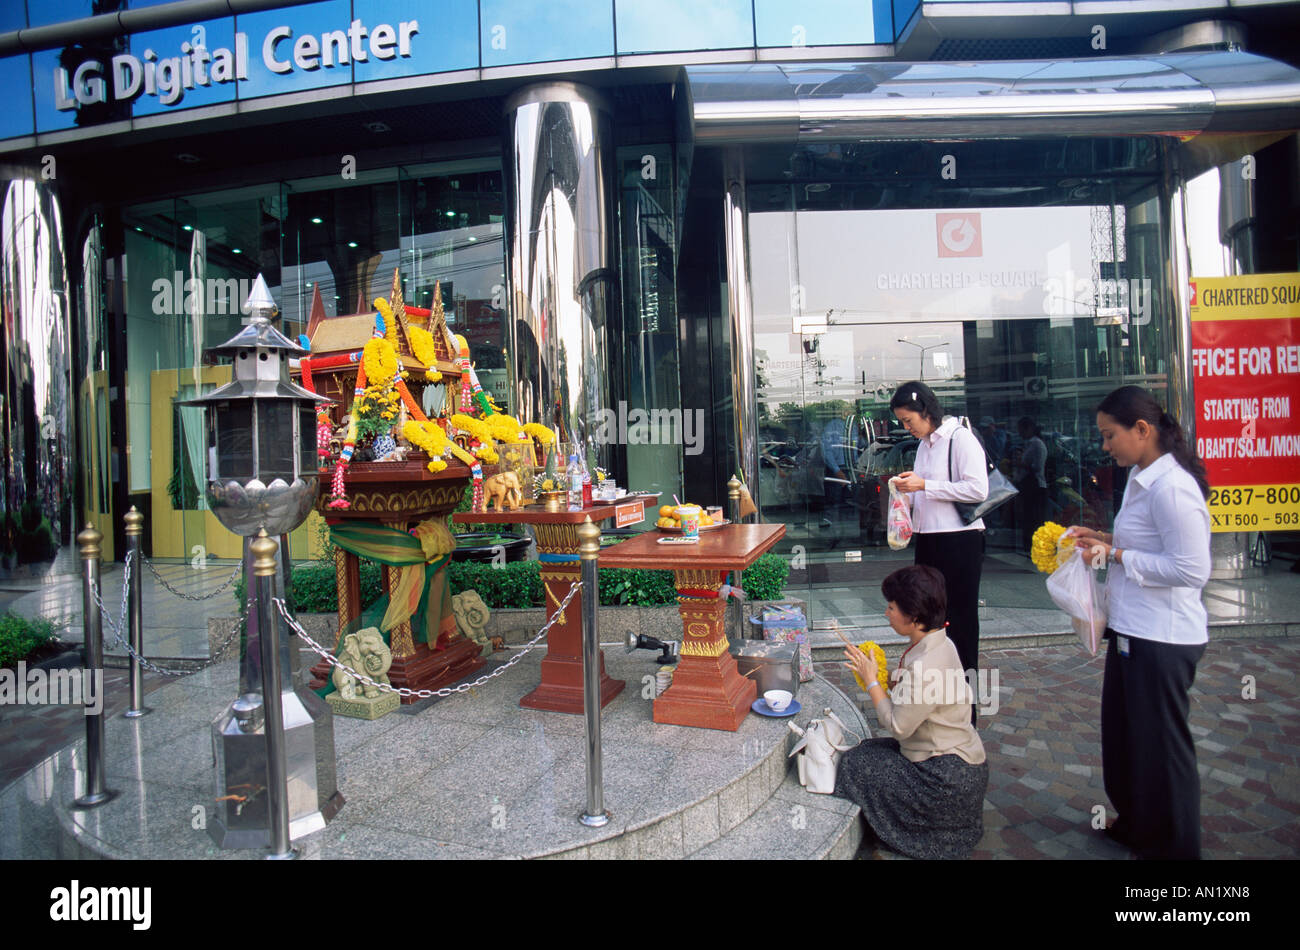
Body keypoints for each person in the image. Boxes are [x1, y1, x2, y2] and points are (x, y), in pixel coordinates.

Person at [1065, 385, 1211, 860]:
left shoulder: (1173, 488)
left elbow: (1191, 569)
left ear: (1142, 430)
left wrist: (1119, 554)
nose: (1104, 446)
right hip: (1132, 630)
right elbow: (1142, 544)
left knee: (1164, 749)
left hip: (1163, 638)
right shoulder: (1142, 477)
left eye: (1110, 435)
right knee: (1128, 739)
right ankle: (1139, 825)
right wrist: (1100, 538)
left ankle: (1177, 848)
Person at [836, 565, 988, 859]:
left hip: (944, 780)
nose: (886, 613)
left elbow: (898, 726)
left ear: (915, 617)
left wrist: (871, 681)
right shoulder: (940, 642)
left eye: (892, 607)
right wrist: (890, 678)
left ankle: (919, 835)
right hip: (959, 765)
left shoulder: (925, 665)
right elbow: (919, 696)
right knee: (866, 751)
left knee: (854, 765)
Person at [889, 381, 988, 722]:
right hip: (929, 538)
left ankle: (965, 711)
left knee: (959, 623)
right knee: (928, 622)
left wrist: (925, 484)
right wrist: (906, 492)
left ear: (926, 410)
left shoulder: (959, 438)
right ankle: (932, 701)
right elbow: (925, 492)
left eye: (908, 420)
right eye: (902, 422)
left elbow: (977, 488)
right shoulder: (924, 445)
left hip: (959, 541)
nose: (907, 427)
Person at [1013, 416, 1048, 553]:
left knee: (1035, 517)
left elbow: (1037, 467)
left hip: (1035, 486)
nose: (1020, 433)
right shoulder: (1029, 444)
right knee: (1028, 517)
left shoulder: (1037, 444)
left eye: (1021, 429)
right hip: (1028, 486)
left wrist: (1021, 464)